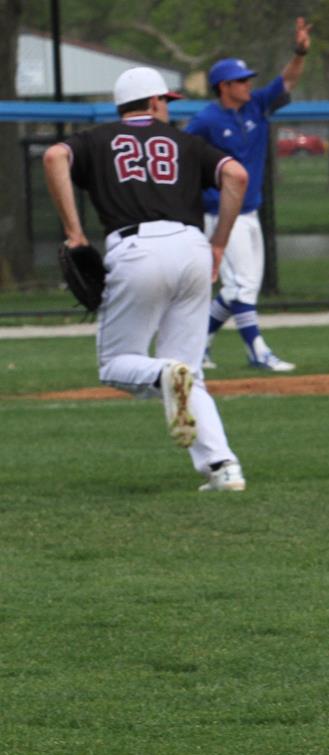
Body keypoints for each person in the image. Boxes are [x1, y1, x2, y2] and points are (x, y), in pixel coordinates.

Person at [42, 67, 250, 491]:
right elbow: (236, 176)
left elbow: (53, 157)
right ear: (154, 102)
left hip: (136, 249)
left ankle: (165, 374)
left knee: (118, 364)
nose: (168, 108)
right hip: (192, 247)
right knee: (189, 372)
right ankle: (223, 467)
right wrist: (219, 244)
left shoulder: (97, 139)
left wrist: (74, 233)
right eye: (166, 101)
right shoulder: (187, 143)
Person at [186, 16, 312, 372]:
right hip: (221, 214)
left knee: (242, 289)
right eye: (241, 80)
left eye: (248, 79)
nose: (248, 84)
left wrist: (299, 53)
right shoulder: (206, 120)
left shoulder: (256, 105)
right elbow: (183, 157)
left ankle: (197, 347)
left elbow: (287, 81)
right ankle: (258, 351)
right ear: (224, 86)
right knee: (241, 285)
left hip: (250, 211)